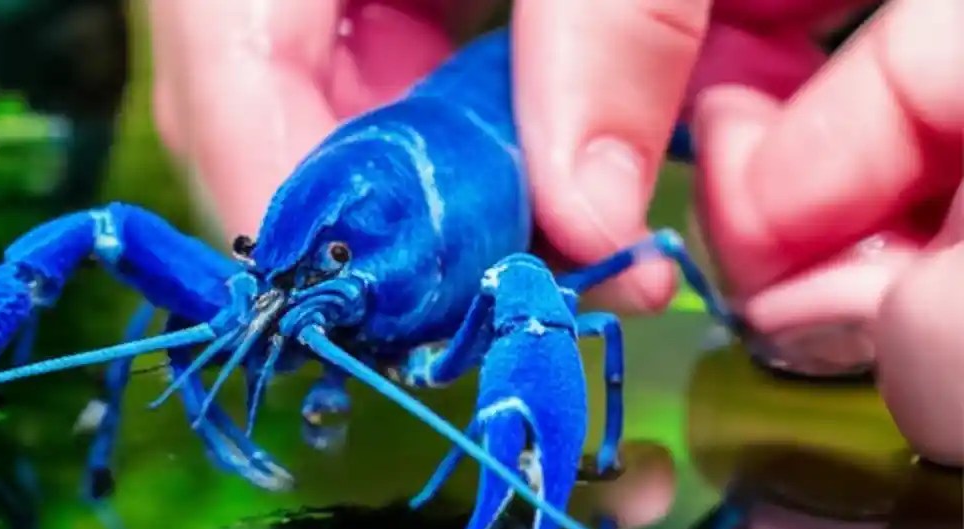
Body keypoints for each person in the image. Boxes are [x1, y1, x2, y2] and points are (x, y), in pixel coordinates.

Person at [145, 0, 962, 467]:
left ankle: (561, 475)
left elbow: (549, 298)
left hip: (528, 99)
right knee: (150, 256)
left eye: (333, 262)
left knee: (578, 283)